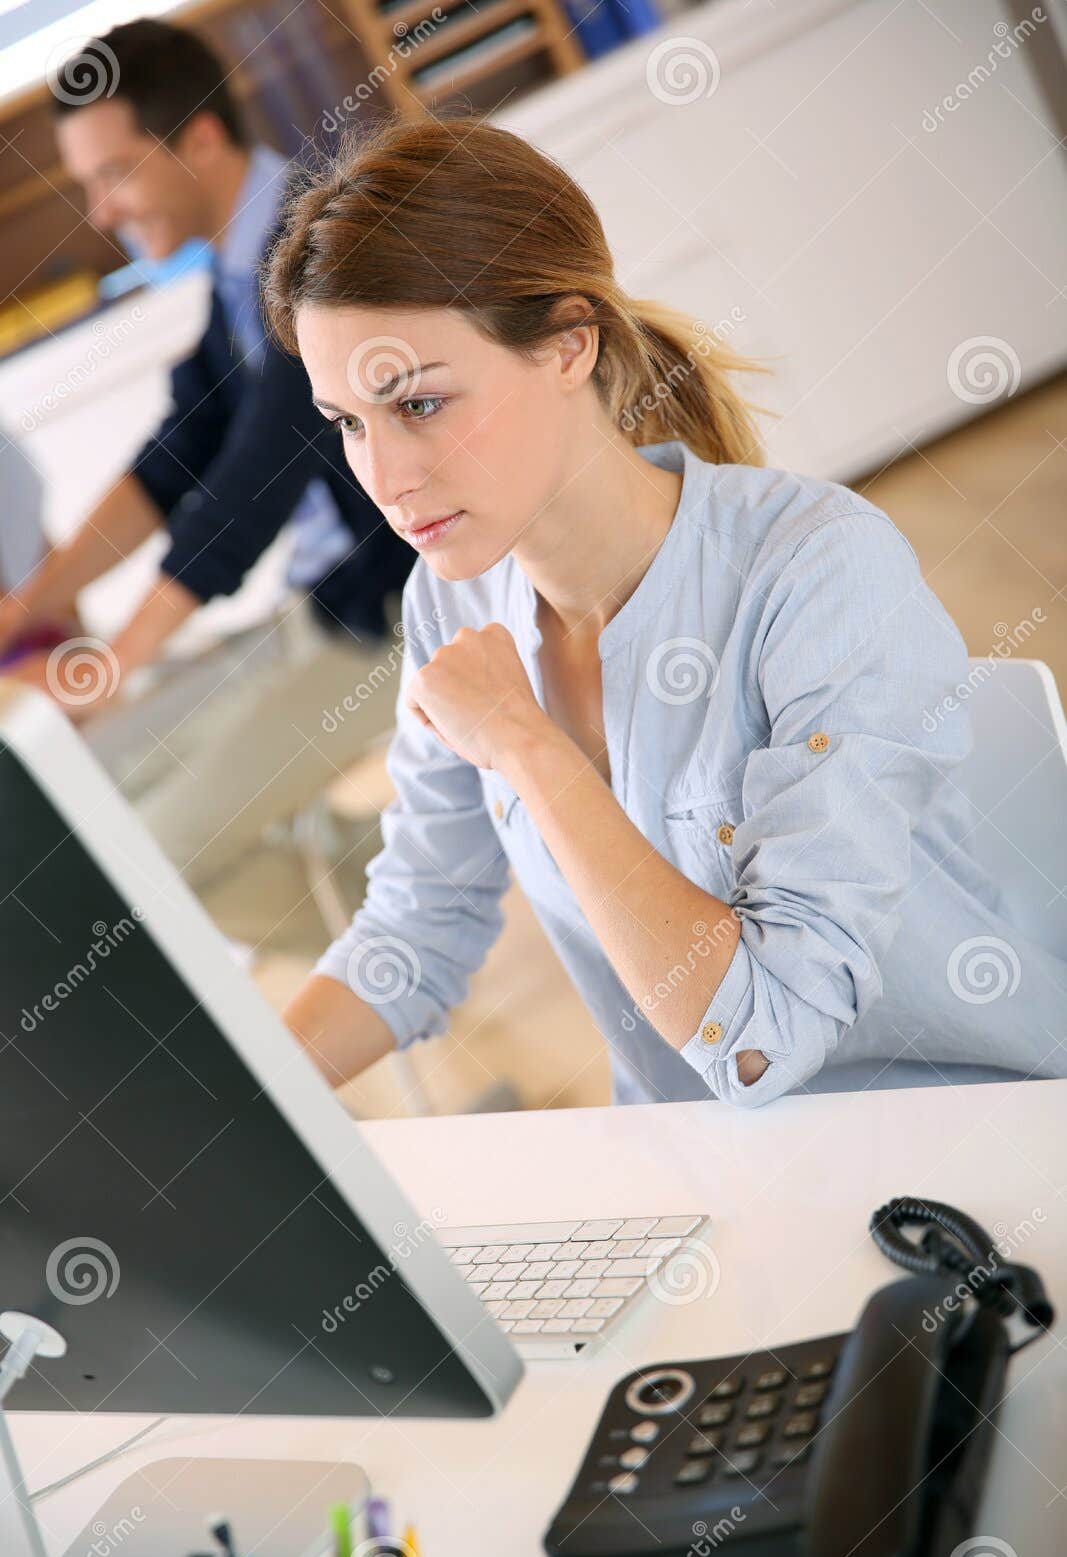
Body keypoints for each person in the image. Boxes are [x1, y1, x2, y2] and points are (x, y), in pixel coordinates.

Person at [266, 114, 1067, 1109]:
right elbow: (415, 928)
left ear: (568, 346)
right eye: (348, 423)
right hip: (707, 1158)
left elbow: (763, 1042)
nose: (384, 478)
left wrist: (528, 746)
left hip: (957, 1127)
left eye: (419, 404)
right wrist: (223, 1109)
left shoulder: (815, 568)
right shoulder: (452, 597)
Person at [0, 19, 415, 889]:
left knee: (138, 856)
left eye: (114, 173)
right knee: (94, 804)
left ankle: (392, 904)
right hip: (322, 609)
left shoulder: (319, 250)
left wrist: (113, 665)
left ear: (199, 140)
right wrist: (27, 610)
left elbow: (252, 486)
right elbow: (173, 461)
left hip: (397, 616)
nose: (102, 212)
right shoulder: (237, 275)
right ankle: (380, 894)